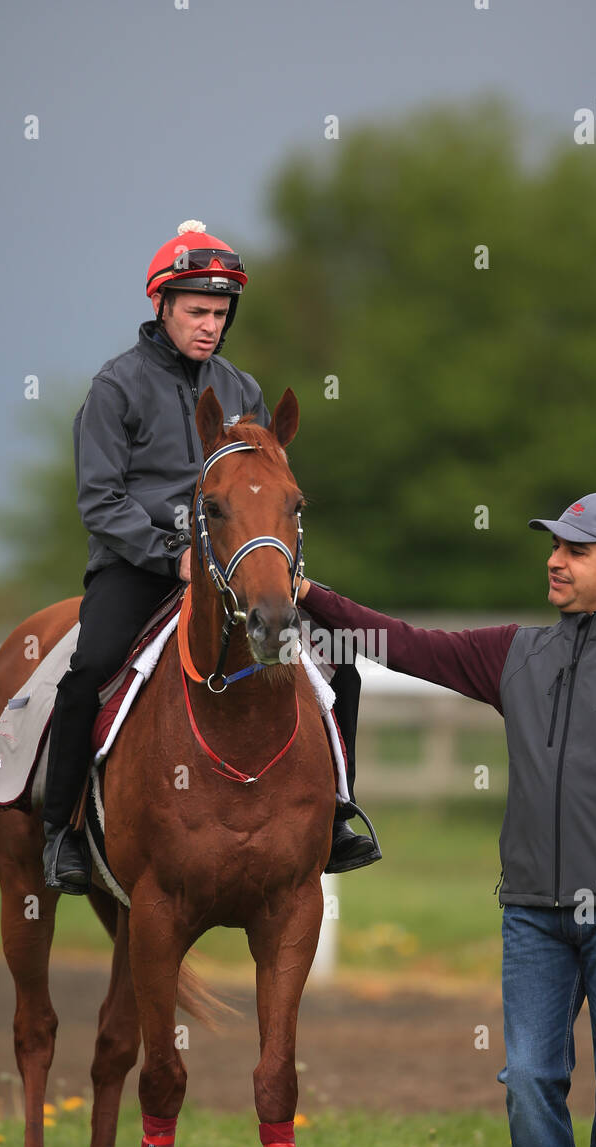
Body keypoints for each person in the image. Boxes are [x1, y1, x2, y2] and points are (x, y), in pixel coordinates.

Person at [297, 492, 596, 1147]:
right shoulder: (514, 653)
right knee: (527, 1079)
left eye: (576, 551)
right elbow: (402, 644)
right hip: (530, 913)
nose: (554, 561)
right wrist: (303, 594)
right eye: (552, 546)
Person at [42, 219, 380, 893]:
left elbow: (259, 488)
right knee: (88, 671)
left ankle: (336, 815)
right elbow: (100, 500)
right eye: (196, 311)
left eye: (219, 314)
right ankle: (62, 832)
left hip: (233, 567)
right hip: (137, 569)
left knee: (338, 670)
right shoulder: (115, 388)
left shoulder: (241, 388)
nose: (208, 325)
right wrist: (172, 558)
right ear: (160, 305)